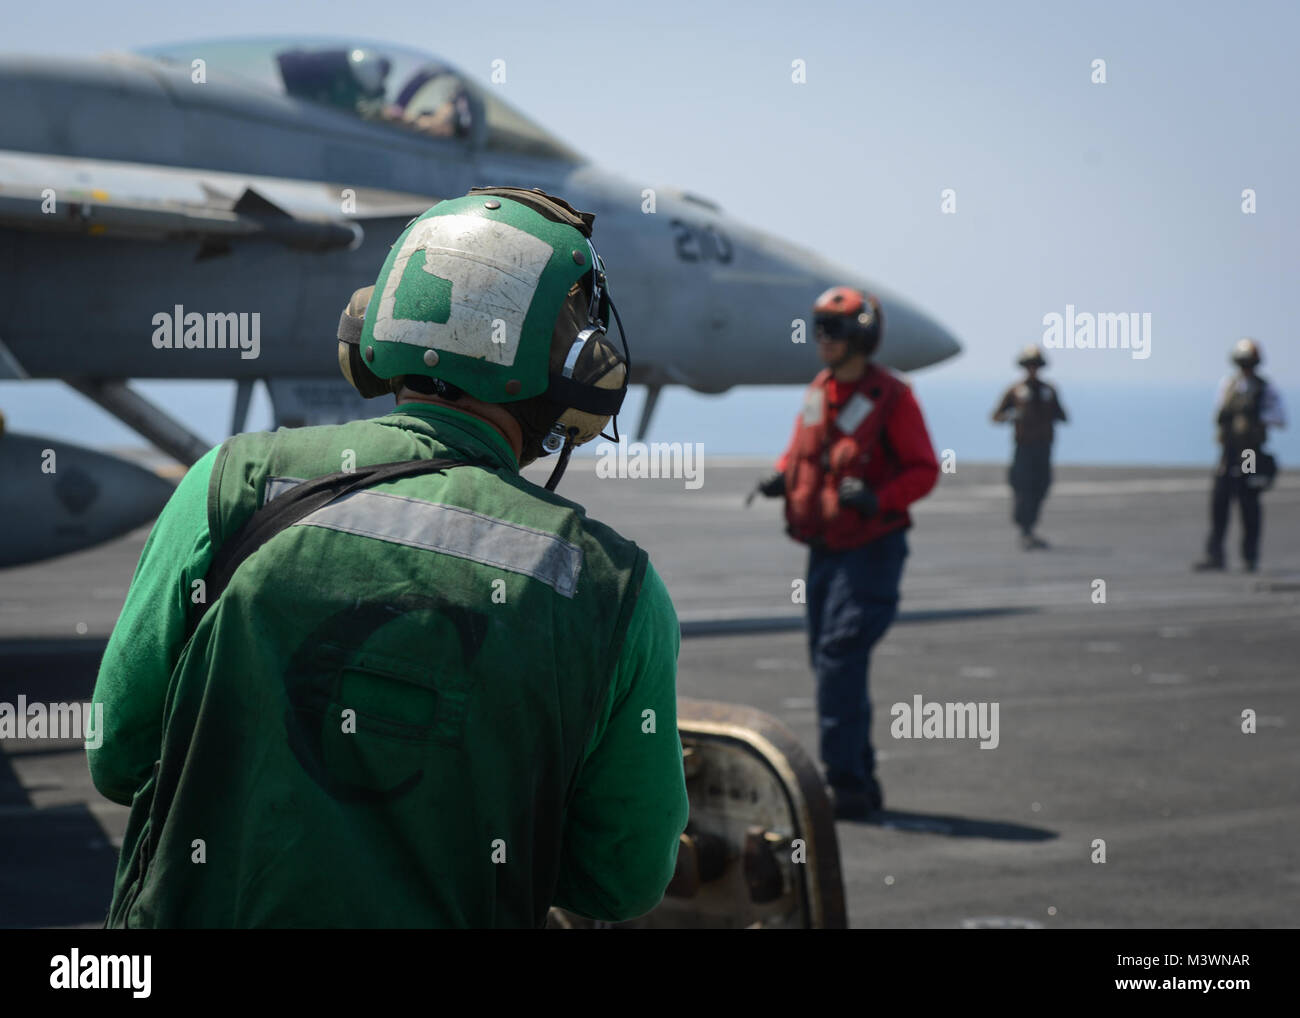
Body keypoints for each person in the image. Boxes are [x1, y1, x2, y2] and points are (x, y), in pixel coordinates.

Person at [87, 187, 689, 928]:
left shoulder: (230, 485)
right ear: (576, 369)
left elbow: (120, 755)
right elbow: (621, 880)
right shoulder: (614, 589)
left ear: (376, 328)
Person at [754, 286, 939, 819]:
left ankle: (847, 783)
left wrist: (880, 498)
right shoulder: (821, 389)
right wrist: (781, 476)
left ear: (860, 337)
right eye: (820, 330)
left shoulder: (893, 398)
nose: (822, 340)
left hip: (872, 549)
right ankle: (859, 779)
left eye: (833, 331)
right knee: (830, 661)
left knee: (839, 657)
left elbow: (924, 469)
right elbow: (802, 450)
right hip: (825, 548)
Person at [1194, 338, 1287, 573]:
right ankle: (1215, 554)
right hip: (1229, 451)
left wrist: (1257, 416)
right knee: (1220, 500)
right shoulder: (1229, 384)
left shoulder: (1265, 388)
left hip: (1248, 453)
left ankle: (1250, 557)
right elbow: (1218, 412)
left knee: (1247, 500)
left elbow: (1280, 418)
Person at [991, 345, 1068, 549]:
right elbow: (996, 416)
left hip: (1043, 447)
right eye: (1029, 366)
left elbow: (1063, 415)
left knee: (1041, 486)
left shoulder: (1048, 391)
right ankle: (1025, 529)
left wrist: (1048, 410)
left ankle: (1030, 527)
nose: (1032, 370)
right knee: (1022, 487)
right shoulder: (1015, 391)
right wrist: (1013, 415)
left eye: (1035, 365)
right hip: (1023, 448)